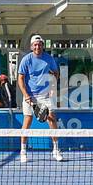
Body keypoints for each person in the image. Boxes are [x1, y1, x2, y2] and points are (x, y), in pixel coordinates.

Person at [17, 34, 65, 164]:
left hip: (45, 95)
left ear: (42, 46)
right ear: (32, 46)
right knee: (27, 122)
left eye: (40, 44)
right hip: (30, 96)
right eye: (35, 44)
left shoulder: (49, 59)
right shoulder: (26, 60)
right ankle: (23, 151)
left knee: (52, 118)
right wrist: (26, 95)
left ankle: (56, 150)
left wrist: (53, 88)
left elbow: (55, 73)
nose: (37, 46)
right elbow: (20, 78)